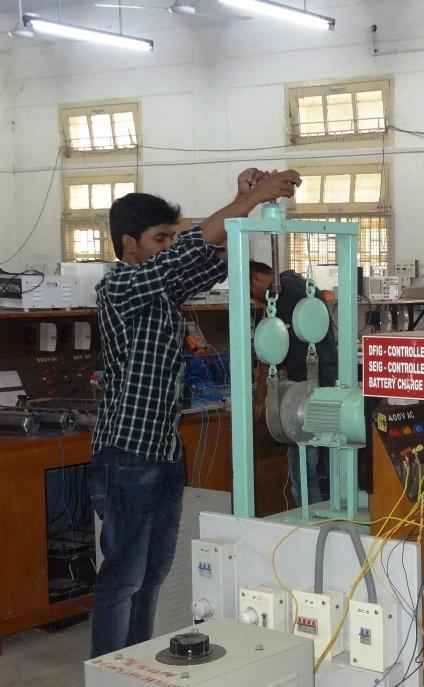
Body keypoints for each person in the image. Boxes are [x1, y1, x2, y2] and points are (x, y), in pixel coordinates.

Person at [88, 169, 301, 657]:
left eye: (171, 236)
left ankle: (134, 662)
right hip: (127, 455)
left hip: (163, 452)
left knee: (153, 573)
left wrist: (242, 203)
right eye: (159, 238)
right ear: (128, 243)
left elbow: (206, 262)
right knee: (123, 578)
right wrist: (247, 200)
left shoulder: (161, 291)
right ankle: (108, 673)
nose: (168, 246)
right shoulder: (119, 288)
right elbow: (185, 256)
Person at [250, 262, 339, 507]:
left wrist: (261, 400)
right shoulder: (306, 286)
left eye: (252, 294)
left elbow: (268, 355)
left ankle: (309, 514)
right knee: (329, 453)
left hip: (303, 389)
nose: (256, 300)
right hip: (330, 377)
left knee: (304, 457)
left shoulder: (278, 295)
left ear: (255, 278)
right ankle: (332, 508)